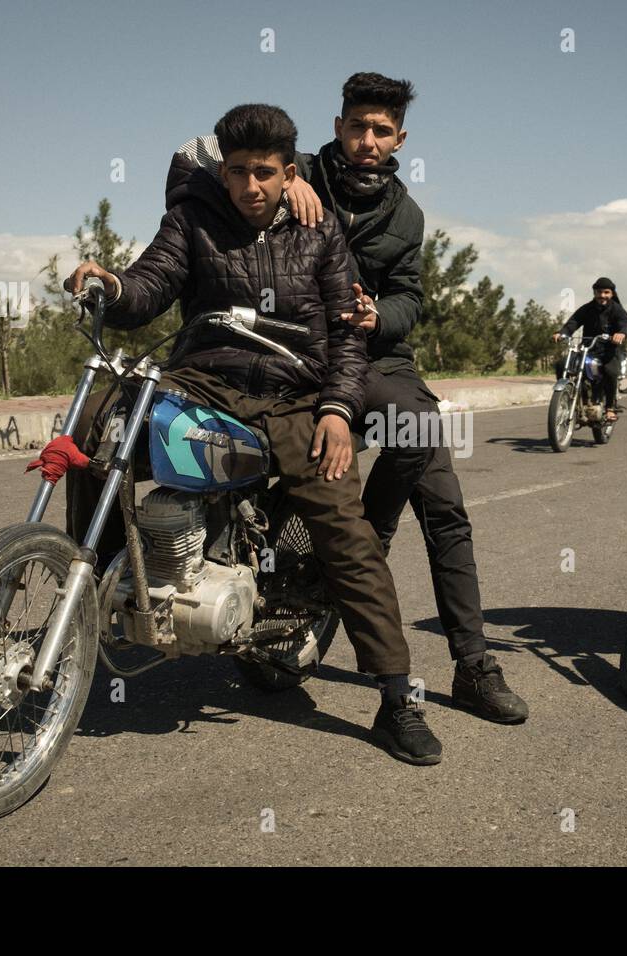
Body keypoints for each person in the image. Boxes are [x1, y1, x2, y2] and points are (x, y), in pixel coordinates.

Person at [62, 103, 444, 764]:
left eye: (265, 172)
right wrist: (113, 285)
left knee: (346, 534)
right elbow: (151, 286)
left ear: (287, 172)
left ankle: (394, 697)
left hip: (296, 399)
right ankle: (84, 592)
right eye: (238, 171)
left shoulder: (321, 235)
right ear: (223, 171)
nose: (251, 186)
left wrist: (335, 409)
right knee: (97, 432)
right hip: (207, 381)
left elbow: (348, 338)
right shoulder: (192, 221)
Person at [183, 73, 528, 723]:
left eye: (381, 131)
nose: (367, 140)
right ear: (338, 125)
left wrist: (378, 315)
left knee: (436, 476)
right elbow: (198, 157)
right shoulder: (293, 168)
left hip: (376, 359)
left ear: (400, 139)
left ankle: (472, 660)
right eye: (356, 126)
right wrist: (291, 183)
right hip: (294, 352)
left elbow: (411, 301)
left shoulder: (406, 214)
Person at [553, 278, 627, 422]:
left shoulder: (617, 310)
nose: (602, 295)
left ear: (612, 293)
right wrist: (563, 332)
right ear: (594, 292)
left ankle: (610, 407)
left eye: (606, 292)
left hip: (609, 351)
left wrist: (621, 333)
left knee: (610, 372)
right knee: (562, 364)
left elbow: (624, 323)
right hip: (588, 349)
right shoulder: (587, 308)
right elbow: (574, 322)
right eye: (599, 292)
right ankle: (566, 396)